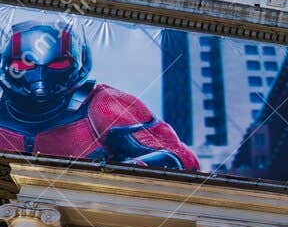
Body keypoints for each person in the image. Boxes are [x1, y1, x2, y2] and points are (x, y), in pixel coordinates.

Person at [0, 16, 199, 170]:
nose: (40, 75)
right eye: (25, 64)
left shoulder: (106, 106)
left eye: (57, 63)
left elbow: (180, 158)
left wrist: (120, 174)